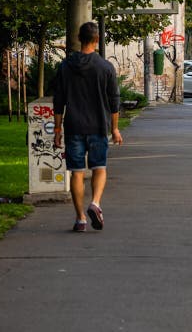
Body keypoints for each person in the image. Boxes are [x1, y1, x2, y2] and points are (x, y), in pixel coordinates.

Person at [53, 22, 123, 232]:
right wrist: (115, 129)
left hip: (73, 125)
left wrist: (57, 131)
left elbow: (59, 100)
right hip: (98, 126)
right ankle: (96, 203)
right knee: (99, 168)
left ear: (79, 38)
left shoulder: (65, 67)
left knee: (76, 172)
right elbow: (114, 101)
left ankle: (80, 218)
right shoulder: (105, 67)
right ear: (97, 40)